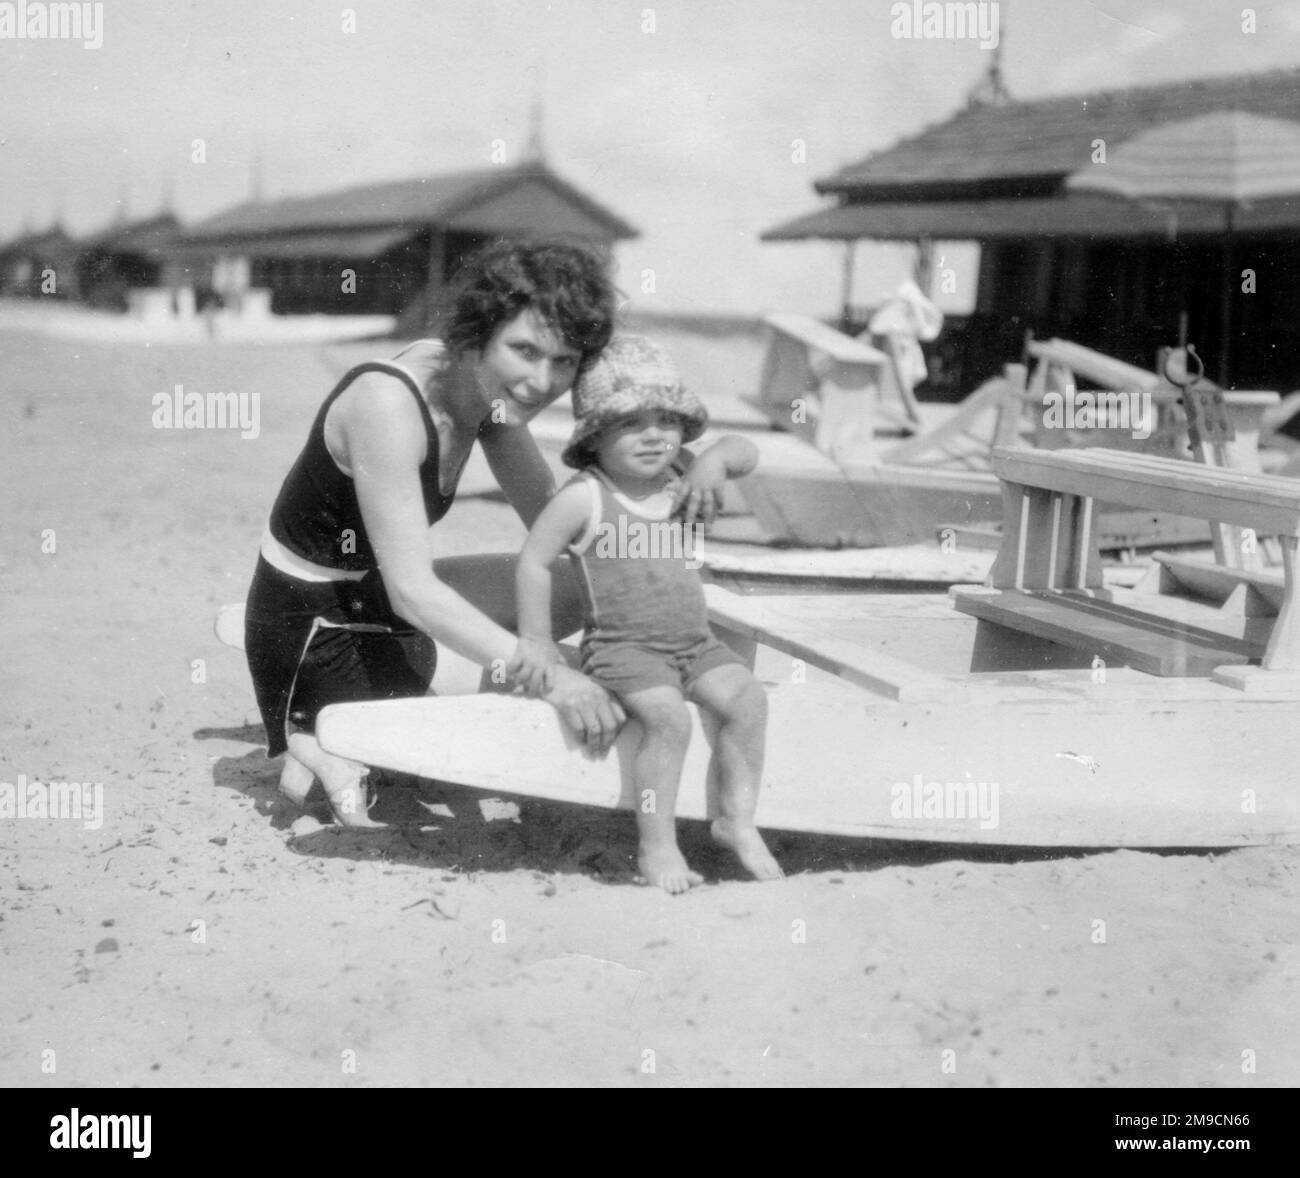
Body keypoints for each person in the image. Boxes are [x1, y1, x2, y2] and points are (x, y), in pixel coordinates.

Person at [244, 239, 626, 828]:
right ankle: (319, 729)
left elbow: (554, 522)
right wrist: (554, 678)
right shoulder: (388, 404)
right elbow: (415, 594)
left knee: (577, 592)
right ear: (477, 332)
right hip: (313, 632)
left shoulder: (484, 390)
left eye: (565, 361)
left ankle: (347, 737)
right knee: (576, 687)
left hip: (370, 599)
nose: (540, 381)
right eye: (524, 350)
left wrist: (652, 574)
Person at [508, 336, 783, 892]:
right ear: (595, 437)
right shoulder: (587, 496)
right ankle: (657, 846)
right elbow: (534, 560)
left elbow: (745, 452)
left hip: (693, 644)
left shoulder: (681, 471)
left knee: (749, 699)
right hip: (624, 651)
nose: (655, 434)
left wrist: (712, 461)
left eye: (666, 419)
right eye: (632, 423)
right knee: (669, 719)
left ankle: (735, 819)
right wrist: (537, 639)